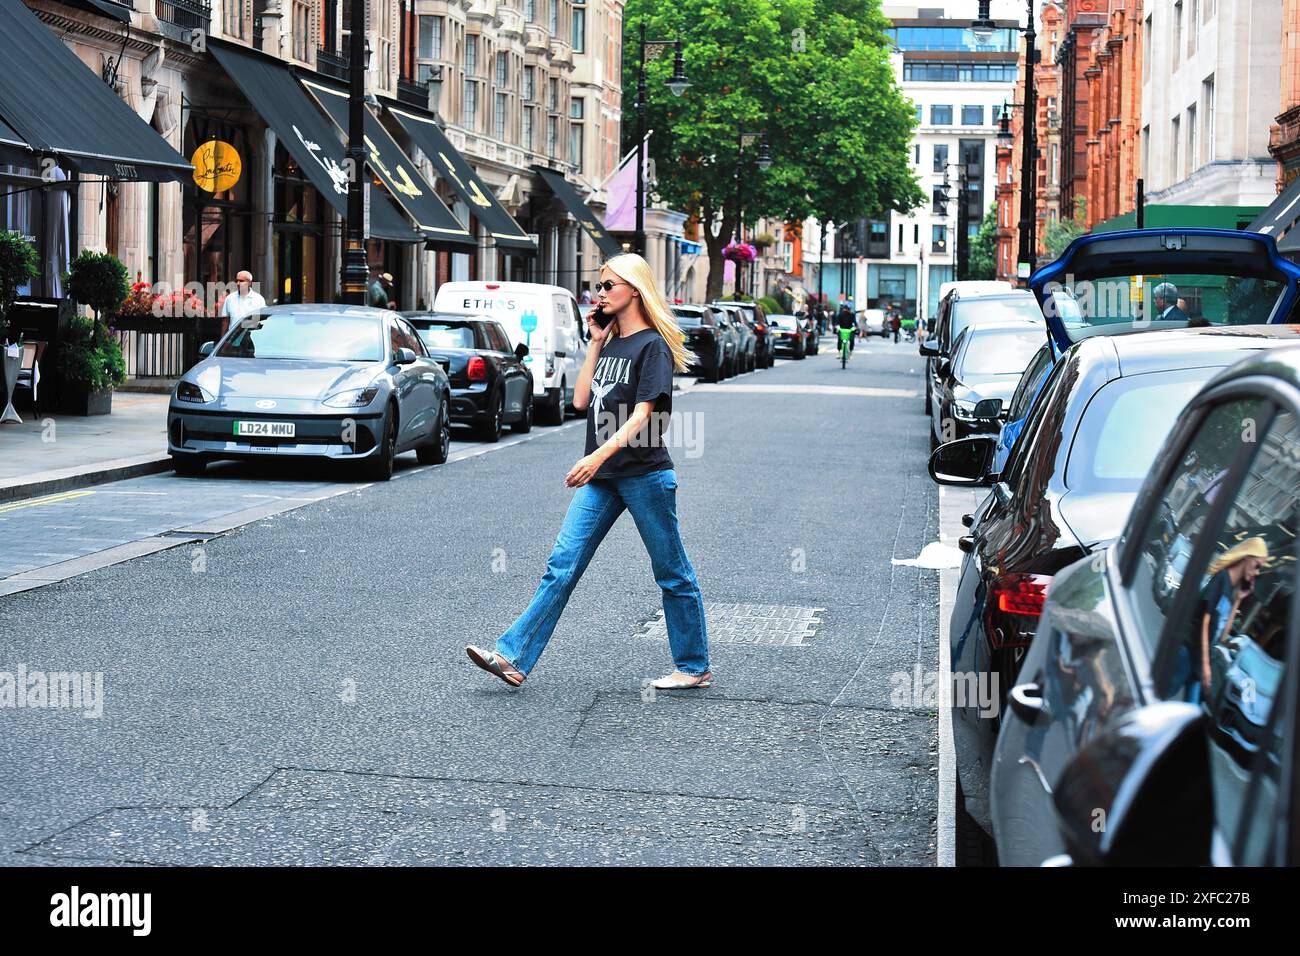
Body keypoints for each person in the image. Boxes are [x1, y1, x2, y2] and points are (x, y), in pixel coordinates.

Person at [465, 252, 712, 690]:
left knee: (671, 571)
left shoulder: (651, 345)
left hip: (643, 475)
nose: (599, 294)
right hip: (604, 480)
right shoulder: (614, 342)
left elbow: (642, 416)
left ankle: (693, 667)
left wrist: (597, 456)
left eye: (608, 286)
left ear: (634, 290)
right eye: (598, 286)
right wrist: (595, 343)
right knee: (561, 565)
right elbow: (581, 402)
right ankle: (513, 657)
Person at [1179, 537, 1269, 703]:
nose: (1257, 572)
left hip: (1199, 657)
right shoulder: (1222, 578)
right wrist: (1206, 666)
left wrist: (1238, 599)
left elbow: (1222, 636)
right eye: (1257, 566)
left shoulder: (1230, 590)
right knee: (1162, 693)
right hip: (1188, 650)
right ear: (1247, 557)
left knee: (1192, 710)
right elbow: (1205, 623)